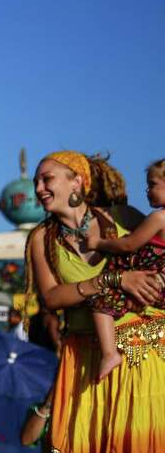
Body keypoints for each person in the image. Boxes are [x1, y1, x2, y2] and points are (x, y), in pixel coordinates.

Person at [22, 150, 165, 453]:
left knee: (146, 452)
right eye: (37, 181)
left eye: (47, 179)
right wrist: (110, 282)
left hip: (141, 345)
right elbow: (52, 298)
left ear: (77, 181)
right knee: (80, 451)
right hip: (85, 351)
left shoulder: (123, 217)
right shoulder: (41, 238)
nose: (39, 188)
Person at [82, 159, 165, 381]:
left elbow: (129, 245)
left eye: (153, 184)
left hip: (148, 282)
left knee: (100, 300)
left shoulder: (159, 218)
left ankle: (109, 354)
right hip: (159, 286)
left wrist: (98, 243)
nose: (147, 191)